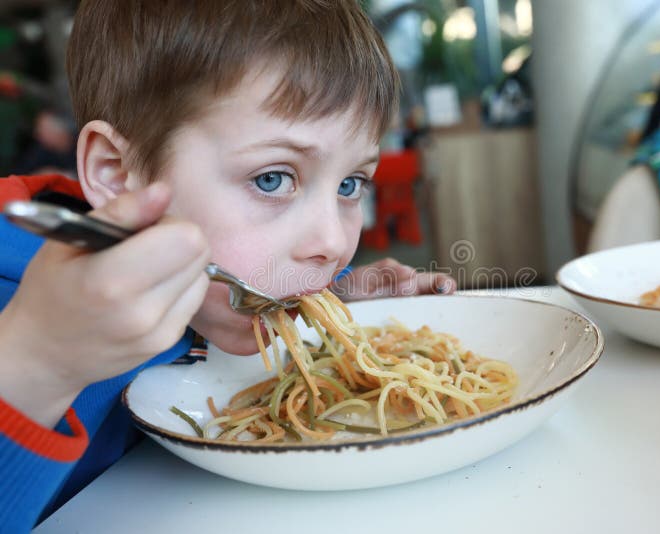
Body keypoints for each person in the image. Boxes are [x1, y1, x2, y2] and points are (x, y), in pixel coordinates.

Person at [0, 2, 455, 531]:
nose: (332, 242)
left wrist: (332, 305)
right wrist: (36, 362)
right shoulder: (25, 315)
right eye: (272, 179)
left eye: (350, 184)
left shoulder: (224, 292)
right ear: (118, 173)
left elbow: (218, 306)